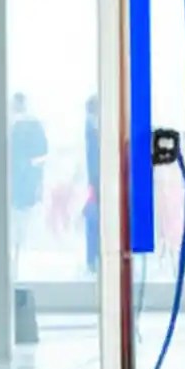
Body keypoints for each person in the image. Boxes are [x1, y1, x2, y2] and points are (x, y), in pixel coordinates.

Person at [10, 92, 48, 280]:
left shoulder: (17, 127)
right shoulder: (28, 126)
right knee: (20, 220)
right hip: (22, 183)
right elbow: (42, 153)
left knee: (19, 220)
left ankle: (18, 255)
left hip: (20, 183)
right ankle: (17, 254)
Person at [83, 95, 100, 276]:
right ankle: (92, 259)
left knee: (94, 220)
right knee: (94, 219)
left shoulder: (92, 128)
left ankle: (93, 259)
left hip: (96, 182)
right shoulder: (91, 129)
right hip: (96, 182)